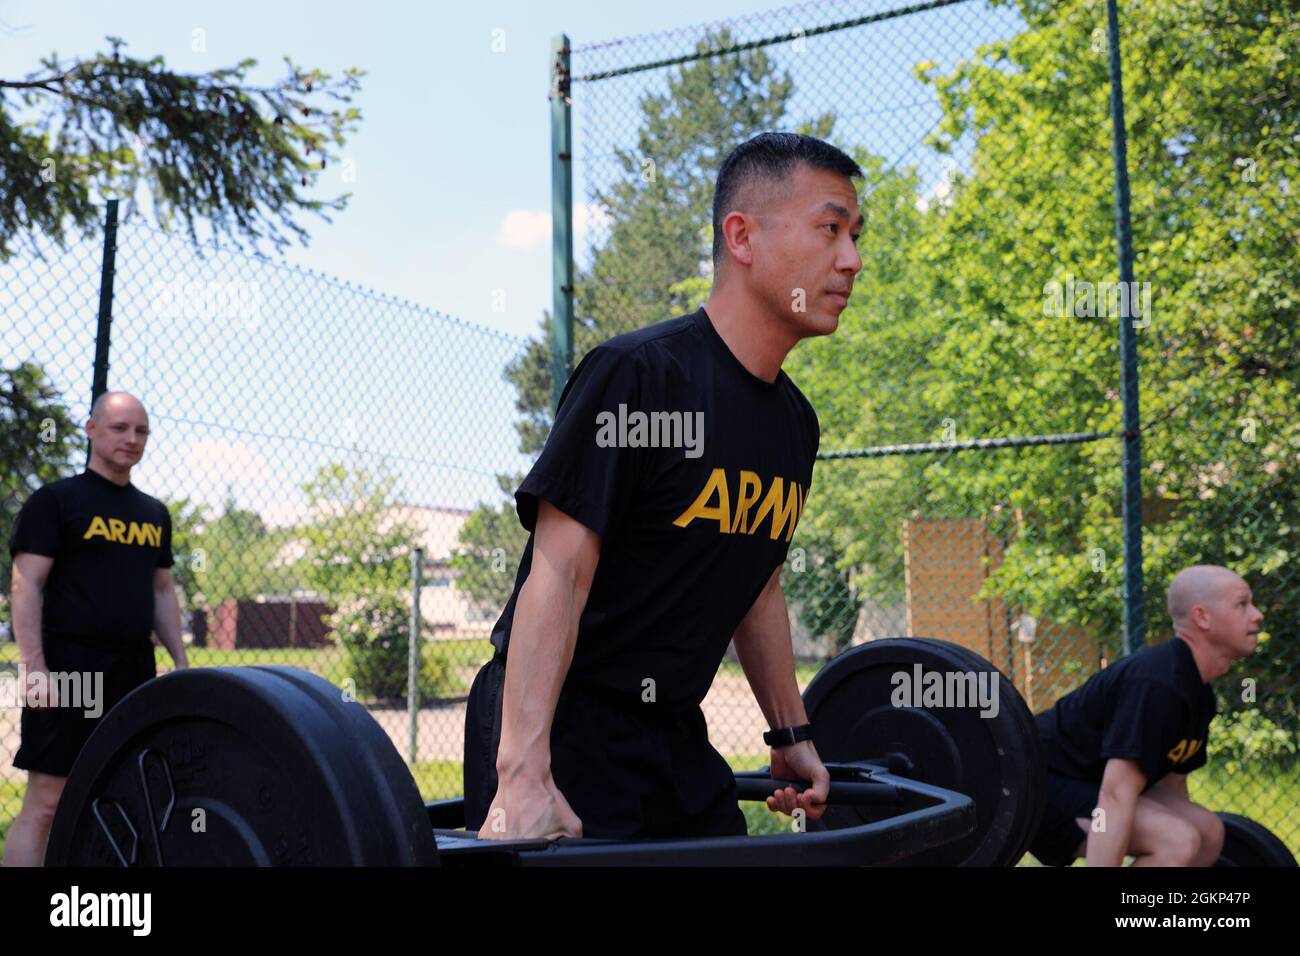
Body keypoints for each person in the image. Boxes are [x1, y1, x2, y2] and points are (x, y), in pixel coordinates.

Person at [464, 132, 865, 841]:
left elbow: (759, 582)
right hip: (562, 730)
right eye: (830, 229)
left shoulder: (796, 425)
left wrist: (788, 729)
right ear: (741, 237)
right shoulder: (637, 376)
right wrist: (524, 774)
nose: (851, 260)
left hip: (673, 735)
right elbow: (560, 571)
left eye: (855, 236)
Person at [3, 391, 188, 867]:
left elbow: (162, 592)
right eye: (119, 428)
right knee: (48, 803)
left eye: (141, 430)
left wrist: (183, 664)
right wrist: (35, 669)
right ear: (90, 430)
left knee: (122, 791)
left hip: (132, 672)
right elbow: (26, 584)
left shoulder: (153, 514)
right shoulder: (56, 502)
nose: (131, 439)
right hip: (69, 671)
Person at [1028, 565, 1262, 866]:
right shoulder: (1157, 684)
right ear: (1202, 617)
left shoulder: (1197, 690)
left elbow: (1171, 784)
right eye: (1242, 604)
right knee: (1176, 841)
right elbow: (1115, 796)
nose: (1257, 615)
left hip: (1092, 785)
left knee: (1207, 832)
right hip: (1040, 786)